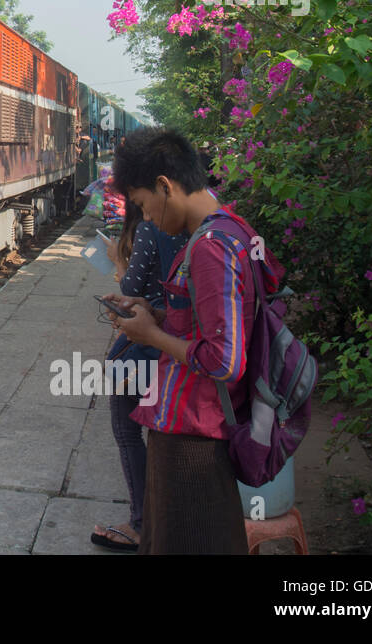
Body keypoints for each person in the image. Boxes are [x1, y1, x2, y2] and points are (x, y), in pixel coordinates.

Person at [102, 126, 277, 555]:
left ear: (165, 186)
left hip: (193, 439)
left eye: (143, 204)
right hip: (192, 430)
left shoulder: (210, 247)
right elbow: (213, 322)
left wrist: (151, 334)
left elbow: (224, 360)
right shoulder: (230, 228)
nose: (145, 218)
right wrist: (155, 312)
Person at [91, 202, 186, 552]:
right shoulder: (196, 226)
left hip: (150, 344)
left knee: (127, 427)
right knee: (162, 429)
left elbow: (130, 285)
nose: (144, 212)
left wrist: (117, 256)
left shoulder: (151, 226)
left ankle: (141, 524)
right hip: (172, 334)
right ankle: (163, 516)